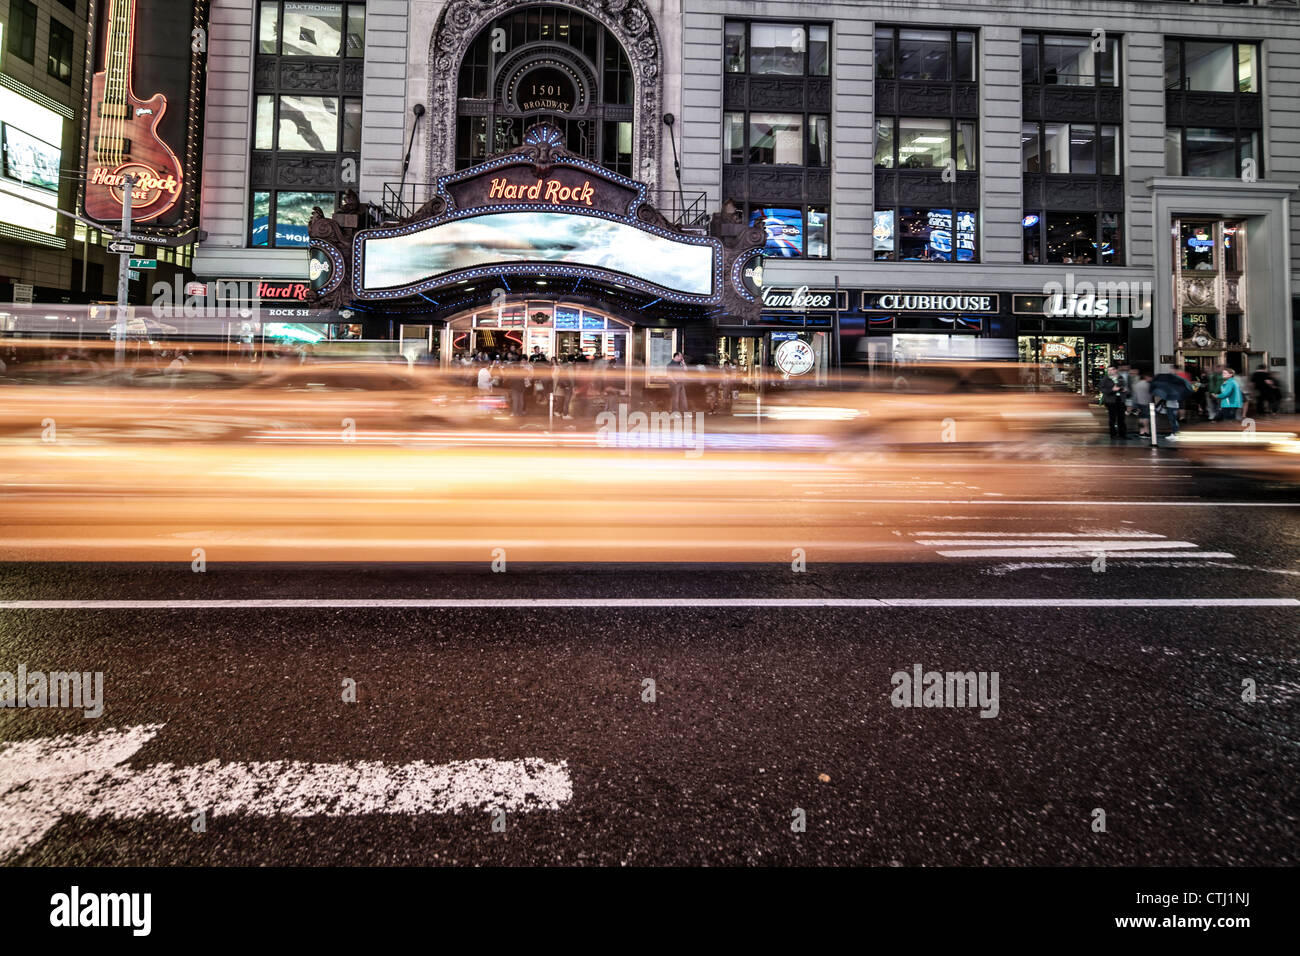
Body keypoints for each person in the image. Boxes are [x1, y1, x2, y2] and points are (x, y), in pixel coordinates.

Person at [1100, 365, 1129, 439]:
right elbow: (1102, 389)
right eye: (1108, 370)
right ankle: (1113, 434)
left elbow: (1124, 387)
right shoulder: (1105, 379)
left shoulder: (1120, 378)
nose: (1109, 372)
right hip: (1111, 401)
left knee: (1121, 418)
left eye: (1111, 370)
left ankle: (1122, 434)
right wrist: (1112, 390)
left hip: (1120, 400)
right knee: (1112, 418)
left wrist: (1123, 390)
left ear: (1115, 370)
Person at [1131, 371, 1153, 438]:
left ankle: (1141, 432)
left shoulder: (1136, 384)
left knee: (1140, 417)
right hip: (1146, 403)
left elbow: (1134, 395)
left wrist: (1134, 405)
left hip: (1138, 403)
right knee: (1146, 417)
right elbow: (1151, 394)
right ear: (1147, 377)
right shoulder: (1148, 385)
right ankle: (1146, 431)